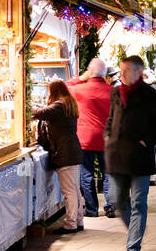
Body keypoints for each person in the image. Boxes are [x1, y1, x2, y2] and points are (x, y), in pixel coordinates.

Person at [105, 55, 156, 251]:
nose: (121, 75)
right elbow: (111, 119)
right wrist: (108, 136)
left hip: (140, 157)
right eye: (121, 71)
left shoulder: (150, 95)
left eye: (126, 71)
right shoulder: (116, 92)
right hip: (116, 156)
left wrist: (148, 141)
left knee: (138, 203)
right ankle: (136, 226)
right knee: (116, 199)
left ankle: (133, 249)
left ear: (138, 72)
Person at [33, 80, 85, 233]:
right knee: (74, 189)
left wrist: (28, 105)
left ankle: (71, 224)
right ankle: (78, 220)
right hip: (72, 151)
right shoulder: (68, 103)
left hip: (65, 153)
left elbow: (41, 113)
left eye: (50, 91)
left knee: (69, 191)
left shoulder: (59, 106)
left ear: (54, 91)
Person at [68, 58, 115, 218]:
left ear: (90, 71)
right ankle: (110, 206)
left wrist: (81, 77)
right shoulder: (111, 91)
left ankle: (92, 209)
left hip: (86, 139)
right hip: (107, 139)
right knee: (108, 174)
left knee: (87, 175)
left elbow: (65, 87)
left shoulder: (81, 90)